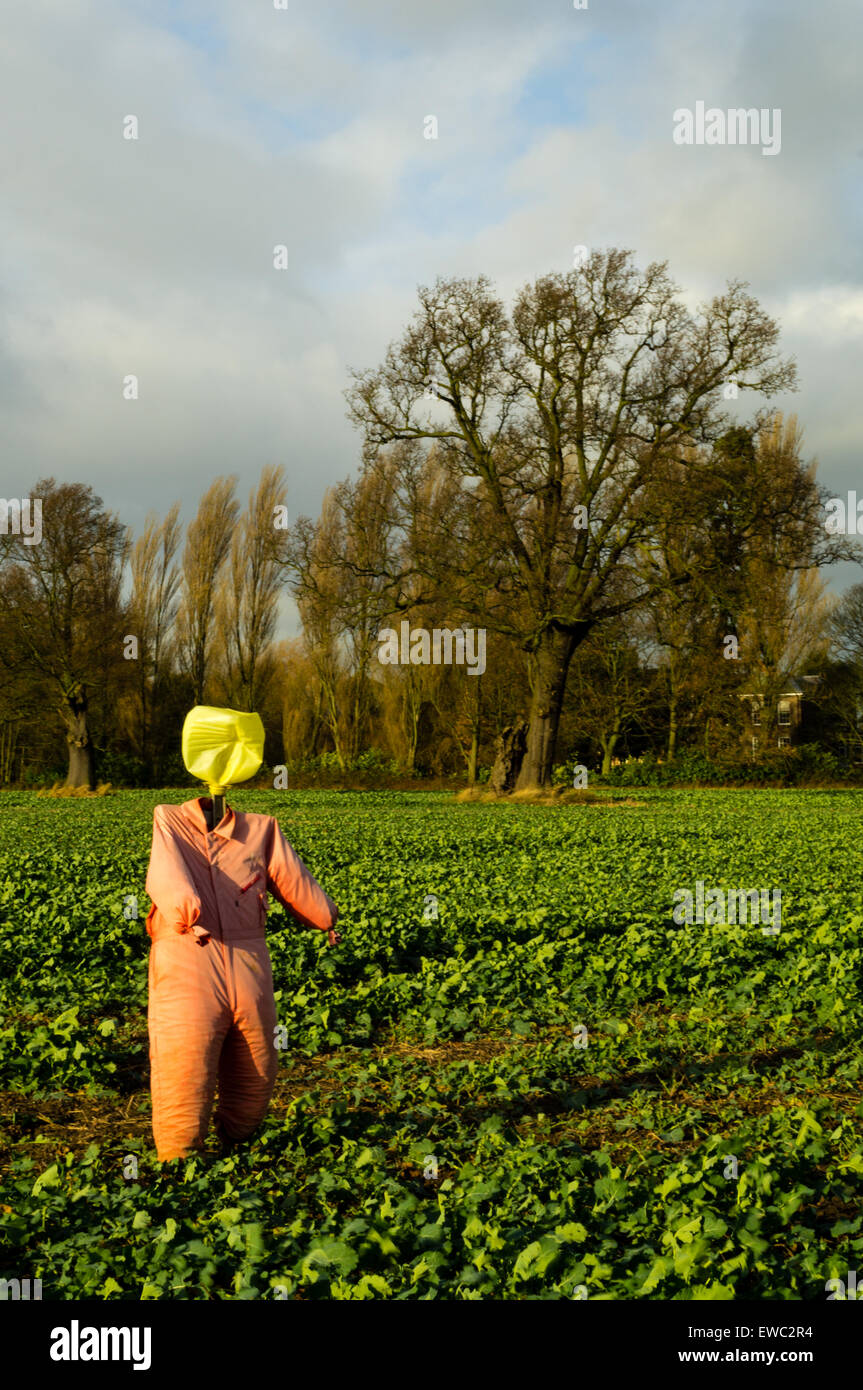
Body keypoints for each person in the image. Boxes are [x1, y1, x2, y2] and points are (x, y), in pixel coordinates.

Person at [145, 793, 340, 1161]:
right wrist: (184, 910)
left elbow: (292, 877)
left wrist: (324, 917)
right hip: (187, 959)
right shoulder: (169, 819)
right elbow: (166, 871)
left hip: (250, 961)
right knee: (184, 1063)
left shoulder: (261, 828)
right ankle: (179, 1161)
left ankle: (238, 1138)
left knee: (257, 1067)